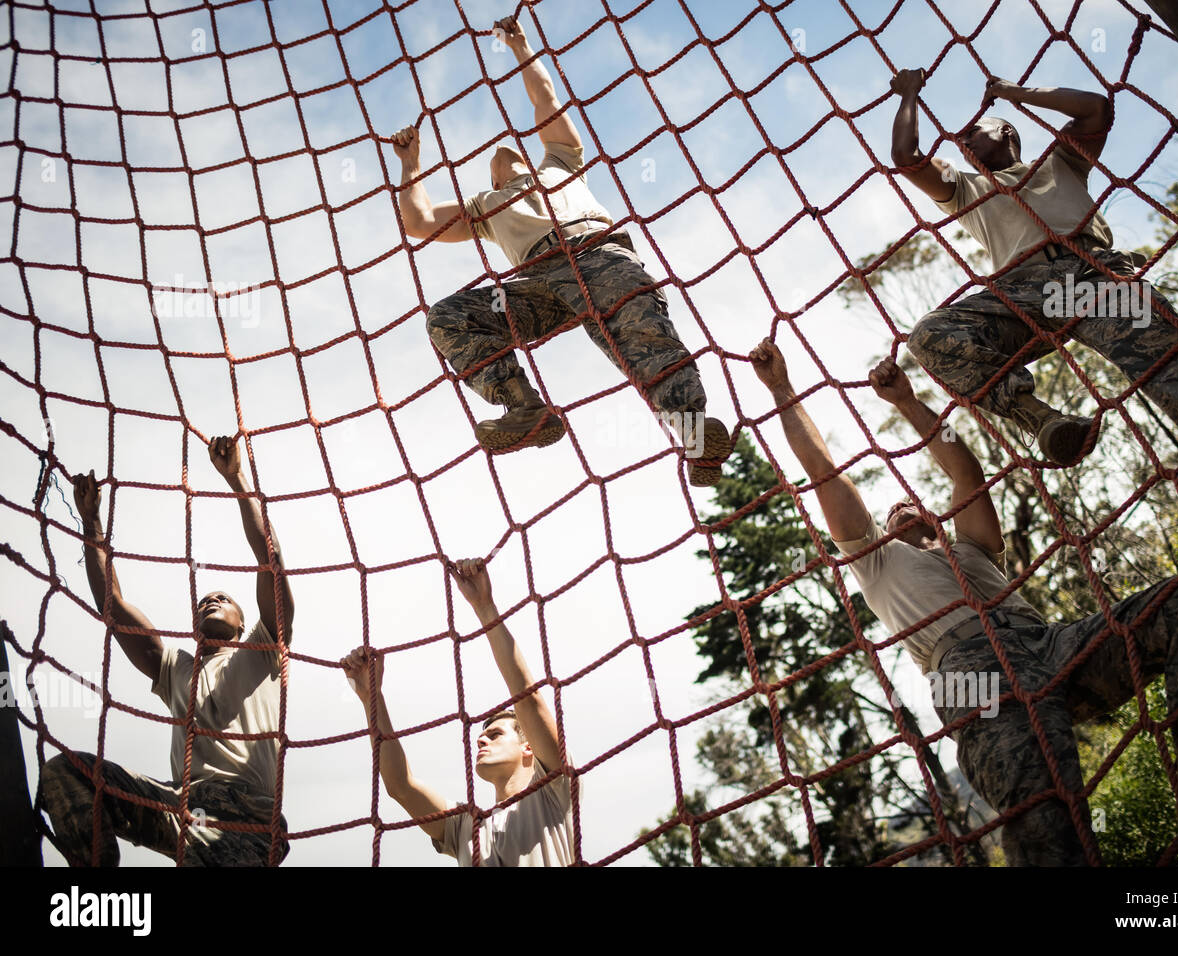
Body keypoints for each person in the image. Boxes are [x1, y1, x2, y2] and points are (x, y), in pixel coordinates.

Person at [749, 337, 1178, 865]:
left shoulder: (973, 549)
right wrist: (781, 391)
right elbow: (823, 475)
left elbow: (965, 471)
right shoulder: (874, 562)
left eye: (909, 500)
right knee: (1047, 816)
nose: (900, 504)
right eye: (890, 509)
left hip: (1049, 645)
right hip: (972, 672)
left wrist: (909, 402)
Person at [888, 68, 1178, 519]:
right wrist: (909, 94)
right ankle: (1037, 417)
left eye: (972, 132)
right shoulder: (966, 187)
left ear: (1007, 130)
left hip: (1091, 274)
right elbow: (906, 158)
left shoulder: (1057, 163)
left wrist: (1014, 92)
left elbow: (1096, 109)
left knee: (1175, 371)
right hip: (1021, 291)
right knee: (929, 334)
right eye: (960, 141)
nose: (962, 143)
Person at [391, 14, 734, 485]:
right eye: (497, 161)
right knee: (448, 316)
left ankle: (695, 438)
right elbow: (420, 222)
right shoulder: (484, 208)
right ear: (492, 181)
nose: (505, 151)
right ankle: (523, 408)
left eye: (514, 150)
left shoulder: (562, 163)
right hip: (542, 280)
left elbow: (545, 101)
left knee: (640, 335)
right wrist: (411, 166)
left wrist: (520, 46)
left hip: (598, 253)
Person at [39, 436, 295, 866]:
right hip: (184, 809)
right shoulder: (177, 666)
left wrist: (236, 479)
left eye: (222, 599)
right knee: (67, 774)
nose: (210, 601)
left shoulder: (263, 648)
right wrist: (91, 524)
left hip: (247, 820)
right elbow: (113, 606)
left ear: (242, 619)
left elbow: (269, 559)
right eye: (202, 601)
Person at [341, 558, 577, 866]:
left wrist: (484, 607)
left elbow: (528, 700)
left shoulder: (553, 790)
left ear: (528, 746)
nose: (481, 741)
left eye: (495, 734)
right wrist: (372, 698)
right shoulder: (467, 827)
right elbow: (400, 786)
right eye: (481, 736)